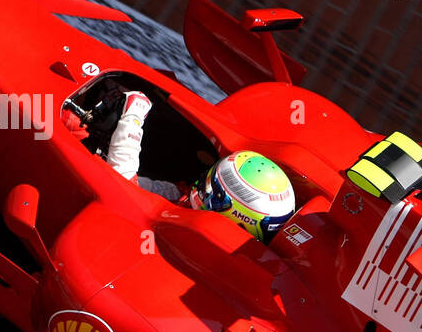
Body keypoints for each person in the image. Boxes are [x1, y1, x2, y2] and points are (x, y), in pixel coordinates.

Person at [102, 90, 295, 243]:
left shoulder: (194, 243)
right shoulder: (186, 198)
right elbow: (168, 192)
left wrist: (132, 119)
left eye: (211, 186)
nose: (202, 184)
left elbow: (122, 188)